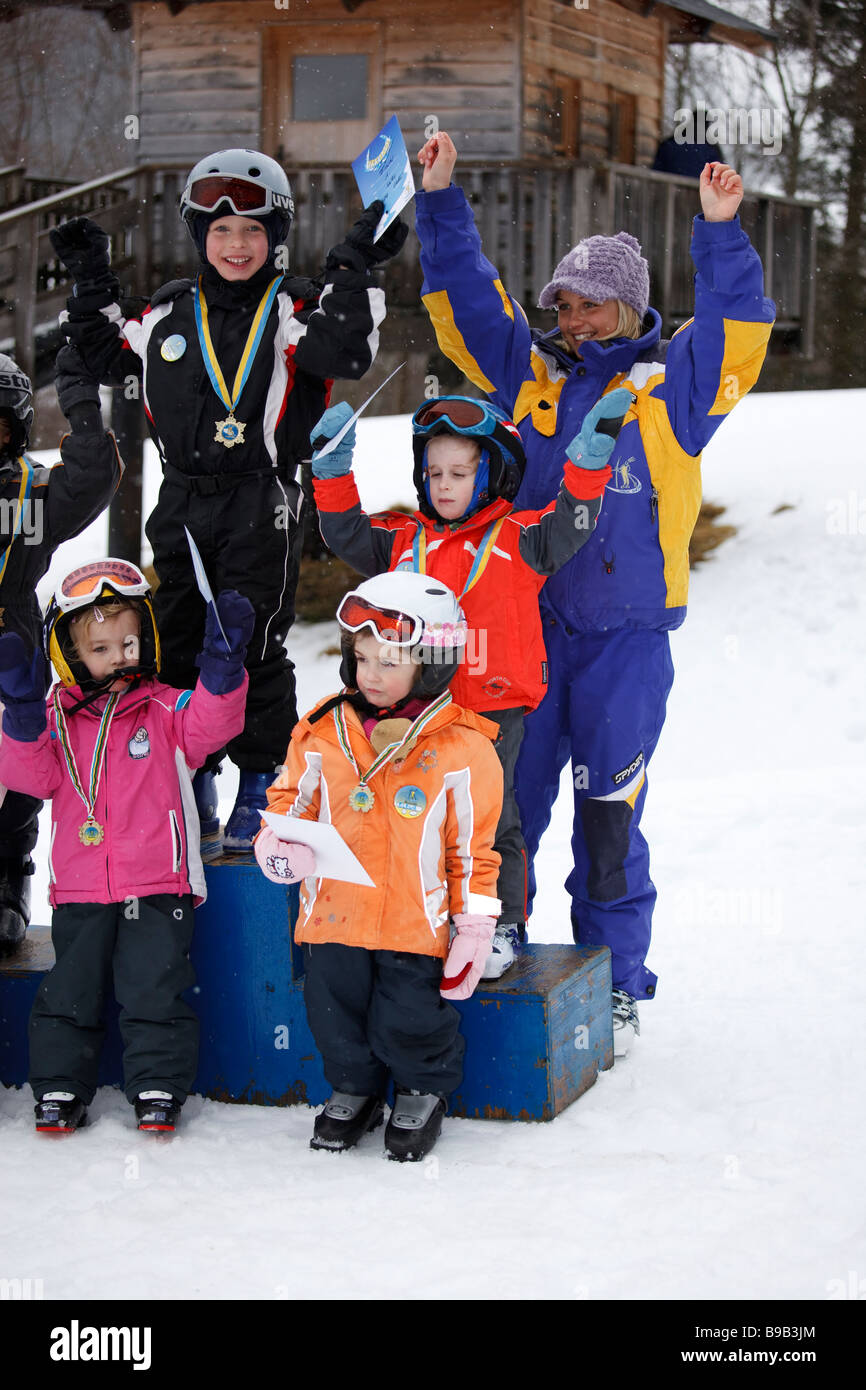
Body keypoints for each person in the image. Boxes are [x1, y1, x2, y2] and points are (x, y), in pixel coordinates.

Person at [415, 130, 775, 1055]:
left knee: (609, 822)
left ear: (629, 309)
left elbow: (737, 331)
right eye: (565, 306)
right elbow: (466, 305)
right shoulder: (530, 381)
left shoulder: (672, 390)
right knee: (508, 811)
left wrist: (720, 231)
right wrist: (443, 200)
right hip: (525, 640)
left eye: (592, 306)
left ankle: (614, 983)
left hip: (626, 647)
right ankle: (495, 947)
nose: (573, 320)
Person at [49, 147, 407, 851]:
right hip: (181, 500)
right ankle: (193, 777)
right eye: (219, 231)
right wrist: (91, 276)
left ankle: (261, 778)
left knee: (251, 640)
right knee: (178, 640)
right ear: (197, 236)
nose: (236, 245)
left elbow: (347, 352)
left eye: (252, 230)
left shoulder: (295, 308)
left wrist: (353, 260)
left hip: (260, 497)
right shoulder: (167, 314)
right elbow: (94, 350)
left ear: (275, 237)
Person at [308, 386, 632, 978]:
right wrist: (330, 472)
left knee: (490, 820)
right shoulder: (406, 542)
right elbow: (345, 534)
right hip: (417, 715)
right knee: (415, 817)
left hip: (491, 714)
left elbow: (573, 525)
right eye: (434, 472)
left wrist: (588, 465)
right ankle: (426, 915)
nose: (444, 485)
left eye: (460, 472)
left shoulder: (521, 538)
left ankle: (501, 924)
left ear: (493, 474)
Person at [254, 571, 503, 1162]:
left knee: (410, 1014)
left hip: (413, 923)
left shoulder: (465, 748)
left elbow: (472, 850)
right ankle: (354, 1085)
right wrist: (279, 844)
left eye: (390, 662)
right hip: (333, 915)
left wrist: (473, 926)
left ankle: (422, 1087)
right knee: (332, 1009)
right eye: (362, 657)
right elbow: (287, 800)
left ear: (434, 664)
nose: (370, 674)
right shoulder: (322, 728)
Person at [0, 559, 253, 1133]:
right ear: (68, 652)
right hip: (81, 886)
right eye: (100, 647)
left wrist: (222, 666)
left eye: (129, 641)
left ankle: (158, 1085)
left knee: (154, 988)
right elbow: (31, 778)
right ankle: (61, 1087)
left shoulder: (166, 707)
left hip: (159, 882)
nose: (119, 656)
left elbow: (212, 727)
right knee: (70, 989)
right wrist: (18, 712)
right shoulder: (52, 720)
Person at [0, 346, 122, 955]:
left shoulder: (34, 488)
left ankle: (8, 883)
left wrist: (80, 403)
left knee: (15, 776)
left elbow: (93, 477)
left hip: (13, 645)